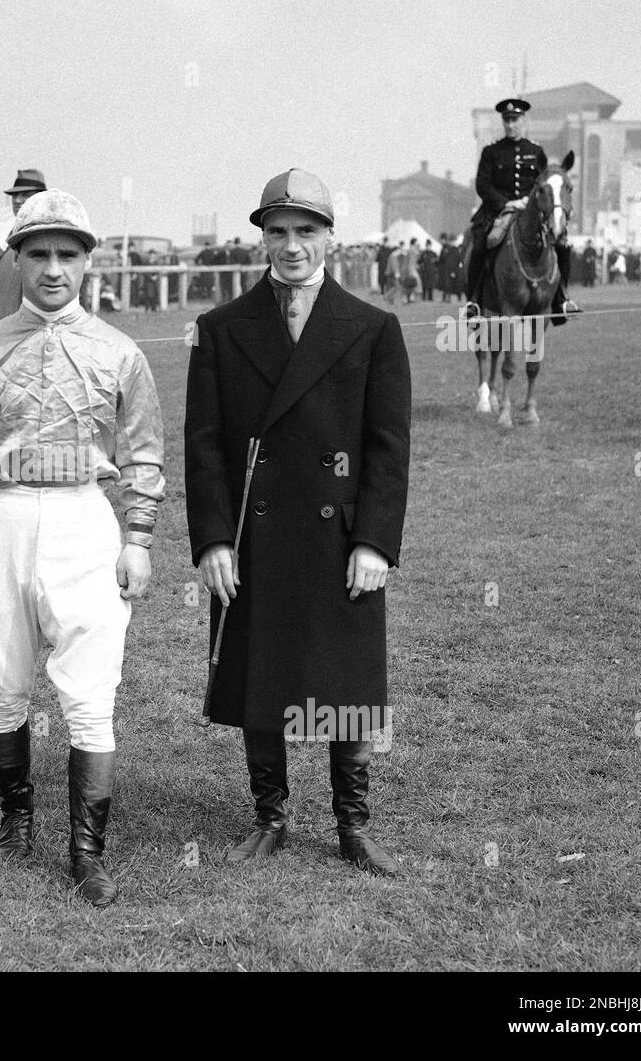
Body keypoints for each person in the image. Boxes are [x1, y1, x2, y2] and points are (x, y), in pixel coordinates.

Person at [0, 190, 166, 907]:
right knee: (4, 681)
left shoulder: (121, 351)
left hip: (84, 522)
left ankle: (86, 849)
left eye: (68, 254)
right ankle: (16, 817)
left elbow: (146, 455)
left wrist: (140, 537)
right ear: (18, 259)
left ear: (88, 261)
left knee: (90, 691)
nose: (54, 268)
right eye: (39, 253)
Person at [184, 168, 411, 876]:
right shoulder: (221, 330)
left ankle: (352, 821)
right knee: (261, 674)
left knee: (343, 681)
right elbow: (204, 446)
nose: (291, 246)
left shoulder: (374, 328)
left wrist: (374, 539)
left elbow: (388, 447)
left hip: (339, 538)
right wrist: (215, 538)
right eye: (277, 231)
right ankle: (271, 813)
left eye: (305, 231)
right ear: (261, 237)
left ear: (330, 239)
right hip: (256, 536)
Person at [465, 97, 578, 323]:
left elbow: (543, 183)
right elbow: (483, 185)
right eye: (506, 120)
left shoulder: (536, 151)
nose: (510, 124)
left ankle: (561, 300)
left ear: (523, 120)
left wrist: (530, 201)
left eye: (514, 119)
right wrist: (507, 203)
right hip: (499, 211)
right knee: (481, 243)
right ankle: (474, 302)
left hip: (531, 210)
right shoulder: (491, 152)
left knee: (562, 244)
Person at [0, 168, 47, 327]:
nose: (17, 200)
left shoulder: (44, 238)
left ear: (41, 199)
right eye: (14, 195)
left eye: (25, 195)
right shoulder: (14, 237)